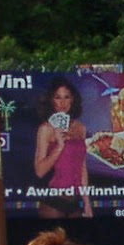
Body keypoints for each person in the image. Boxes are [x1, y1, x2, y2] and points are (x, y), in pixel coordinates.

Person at [33, 76, 91, 219]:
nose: (62, 102)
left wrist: (87, 203)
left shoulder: (80, 128)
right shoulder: (46, 129)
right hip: (53, 199)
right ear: (52, 100)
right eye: (58, 97)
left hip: (75, 199)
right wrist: (59, 146)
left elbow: (82, 167)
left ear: (73, 100)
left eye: (67, 97)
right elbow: (40, 171)